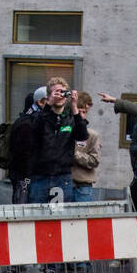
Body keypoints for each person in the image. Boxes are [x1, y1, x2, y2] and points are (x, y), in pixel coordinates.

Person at [27, 77, 88, 205]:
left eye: (63, 92)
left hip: (62, 176)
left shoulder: (70, 118)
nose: (60, 96)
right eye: (56, 93)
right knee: (37, 216)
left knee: (60, 217)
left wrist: (75, 107)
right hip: (40, 176)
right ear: (48, 96)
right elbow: (34, 132)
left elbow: (82, 136)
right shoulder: (40, 116)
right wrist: (49, 105)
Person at [7, 86, 46, 205]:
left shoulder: (27, 121)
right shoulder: (27, 123)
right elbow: (24, 154)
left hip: (26, 175)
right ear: (40, 102)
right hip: (25, 176)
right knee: (23, 209)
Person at [70, 91, 100, 202]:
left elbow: (95, 160)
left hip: (83, 186)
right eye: (79, 111)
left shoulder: (92, 135)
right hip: (64, 184)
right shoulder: (65, 131)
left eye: (85, 112)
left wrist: (75, 155)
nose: (82, 115)